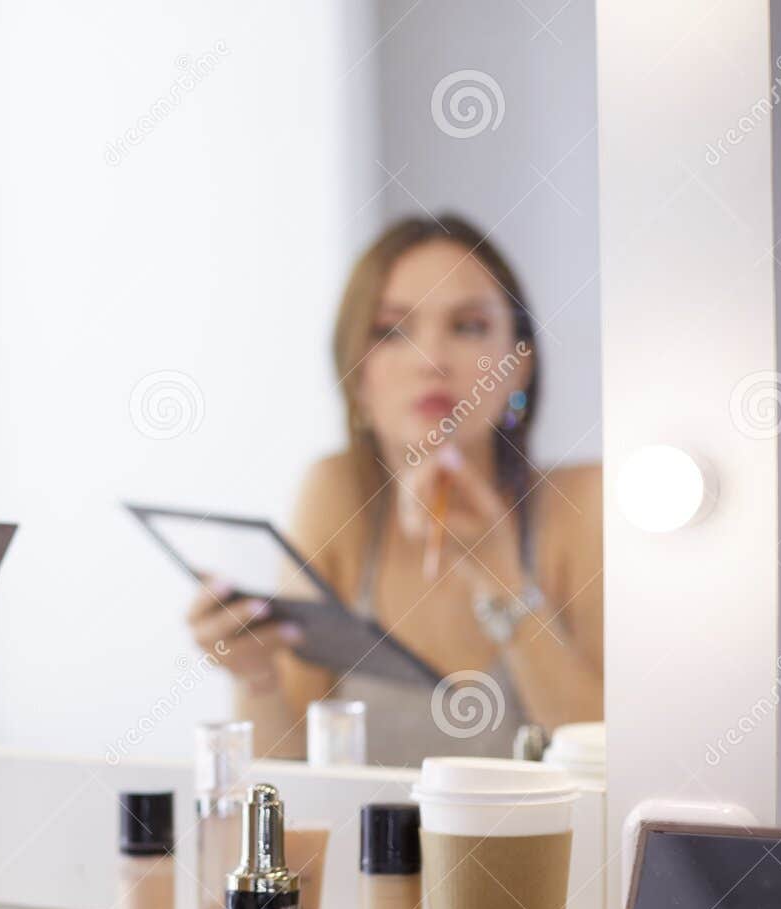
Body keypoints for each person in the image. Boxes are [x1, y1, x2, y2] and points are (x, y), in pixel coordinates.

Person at [189, 215, 603, 766]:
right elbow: (288, 788)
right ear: (355, 373)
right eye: (391, 331)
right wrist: (256, 676)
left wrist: (502, 583)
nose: (431, 360)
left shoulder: (578, 505)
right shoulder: (336, 495)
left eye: (469, 326)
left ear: (517, 368)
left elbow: (615, 774)